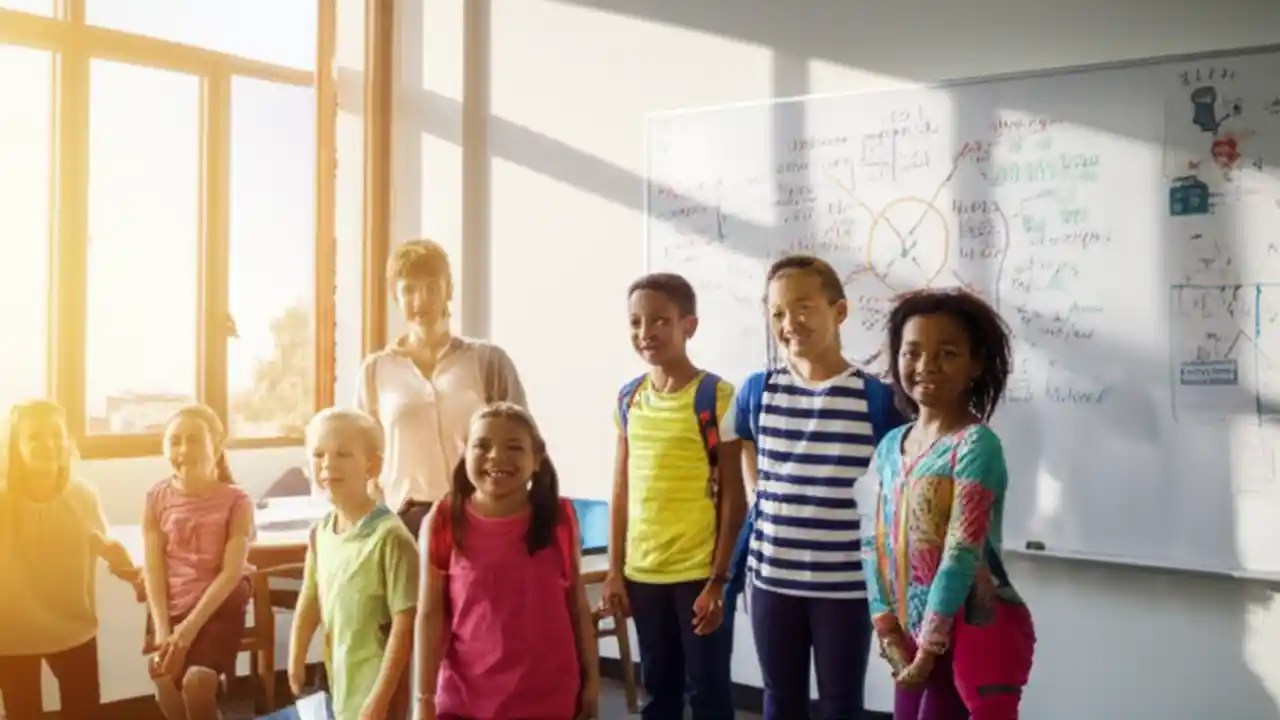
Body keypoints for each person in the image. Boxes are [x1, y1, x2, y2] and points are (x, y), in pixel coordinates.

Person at [730, 255, 906, 719]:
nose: (790, 323)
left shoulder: (877, 399)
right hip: (772, 580)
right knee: (779, 700)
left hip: (844, 586)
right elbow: (743, 441)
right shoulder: (758, 391)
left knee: (839, 704)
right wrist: (758, 495)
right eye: (778, 313)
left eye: (803, 307)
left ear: (839, 311)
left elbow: (895, 487)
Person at [864, 288, 1035, 720]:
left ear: (975, 365)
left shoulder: (976, 445)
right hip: (906, 639)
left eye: (947, 353)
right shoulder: (888, 447)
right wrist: (886, 630)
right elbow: (874, 543)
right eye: (912, 351)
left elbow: (961, 550)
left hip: (961, 638)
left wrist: (928, 649)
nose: (925, 366)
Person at [599, 272, 746, 719]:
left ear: (689, 326)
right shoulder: (629, 399)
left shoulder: (716, 397)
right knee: (658, 693)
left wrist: (719, 580)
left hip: (699, 574)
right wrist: (614, 571)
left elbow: (735, 499)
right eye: (636, 323)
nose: (646, 333)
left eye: (660, 321)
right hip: (644, 574)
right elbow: (620, 490)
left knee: (708, 692)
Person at [416, 403, 599, 720]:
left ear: (537, 458)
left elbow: (577, 605)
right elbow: (430, 614)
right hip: (466, 698)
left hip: (548, 694)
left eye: (514, 447)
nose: (496, 457)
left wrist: (593, 683)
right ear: (465, 452)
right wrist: (423, 699)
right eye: (482, 446)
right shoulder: (444, 520)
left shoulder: (560, 518)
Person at [357, 238, 527, 538]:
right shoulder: (375, 371)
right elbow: (363, 459)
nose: (420, 300)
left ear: (448, 289)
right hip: (402, 524)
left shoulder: (488, 362)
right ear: (395, 295)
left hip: (478, 516)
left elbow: (522, 444)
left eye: (431, 287)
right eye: (409, 289)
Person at [0, 400, 139, 719]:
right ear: (16, 445)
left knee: (84, 710)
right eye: (34, 436)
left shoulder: (82, 495)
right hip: (12, 632)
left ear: (67, 441)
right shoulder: (2, 500)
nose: (47, 443)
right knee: (23, 712)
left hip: (73, 625)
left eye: (55, 434)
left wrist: (133, 576)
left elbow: (107, 546)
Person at [288, 407, 418, 720]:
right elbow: (310, 598)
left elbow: (405, 628)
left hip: (382, 689)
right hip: (342, 679)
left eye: (343, 454)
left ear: (371, 465)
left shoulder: (391, 538)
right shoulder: (321, 533)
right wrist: (296, 653)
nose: (328, 464)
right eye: (319, 453)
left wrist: (379, 699)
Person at [143, 405, 255, 720]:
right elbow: (153, 567)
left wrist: (187, 632)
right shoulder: (156, 498)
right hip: (171, 603)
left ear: (216, 447)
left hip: (217, 605)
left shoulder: (237, 501)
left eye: (194, 440)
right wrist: (165, 631)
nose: (183, 449)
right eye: (175, 440)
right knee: (163, 680)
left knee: (197, 683)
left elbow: (232, 571)